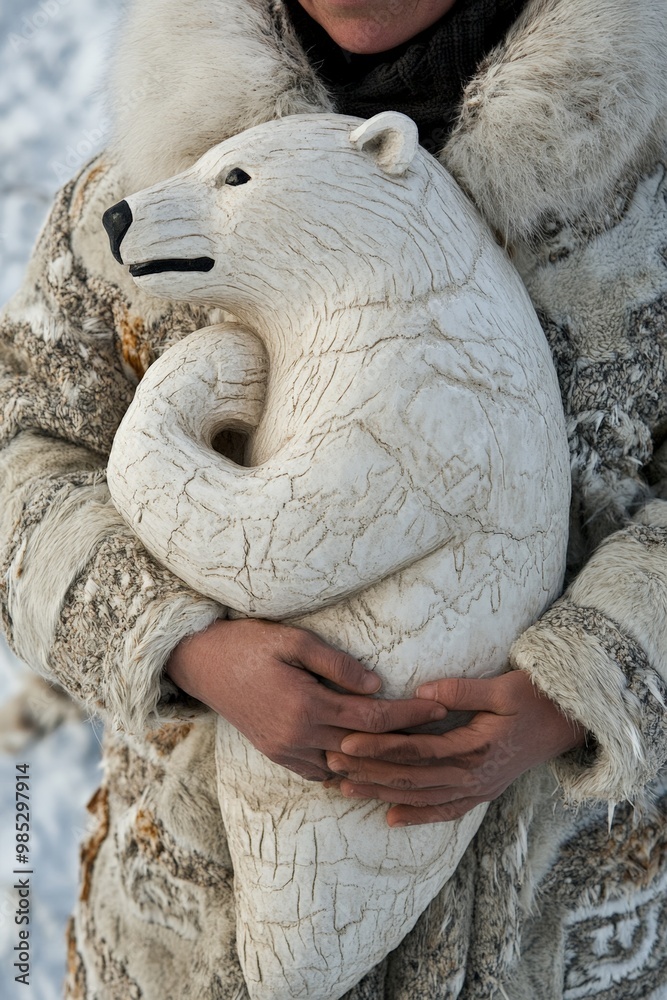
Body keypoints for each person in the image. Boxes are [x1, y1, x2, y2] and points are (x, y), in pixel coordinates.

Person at [1, 0, 666, 996]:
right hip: (189, 941)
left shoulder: (640, 206)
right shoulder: (140, 192)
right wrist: (180, 642)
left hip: (543, 940)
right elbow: (22, 461)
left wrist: (585, 684)